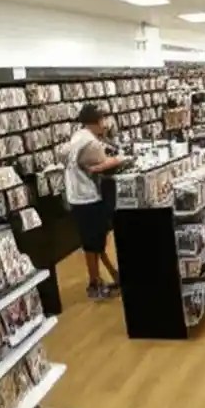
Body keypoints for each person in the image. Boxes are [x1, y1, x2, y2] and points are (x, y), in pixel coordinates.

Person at [64, 104, 127, 300]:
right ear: (96, 121)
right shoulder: (89, 143)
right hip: (87, 198)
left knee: (95, 241)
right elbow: (96, 167)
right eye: (103, 120)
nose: (105, 123)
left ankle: (108, 276)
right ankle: (94, 285)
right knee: (93, 243)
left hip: (78, 197)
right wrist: (119, 159)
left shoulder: (79, 137)